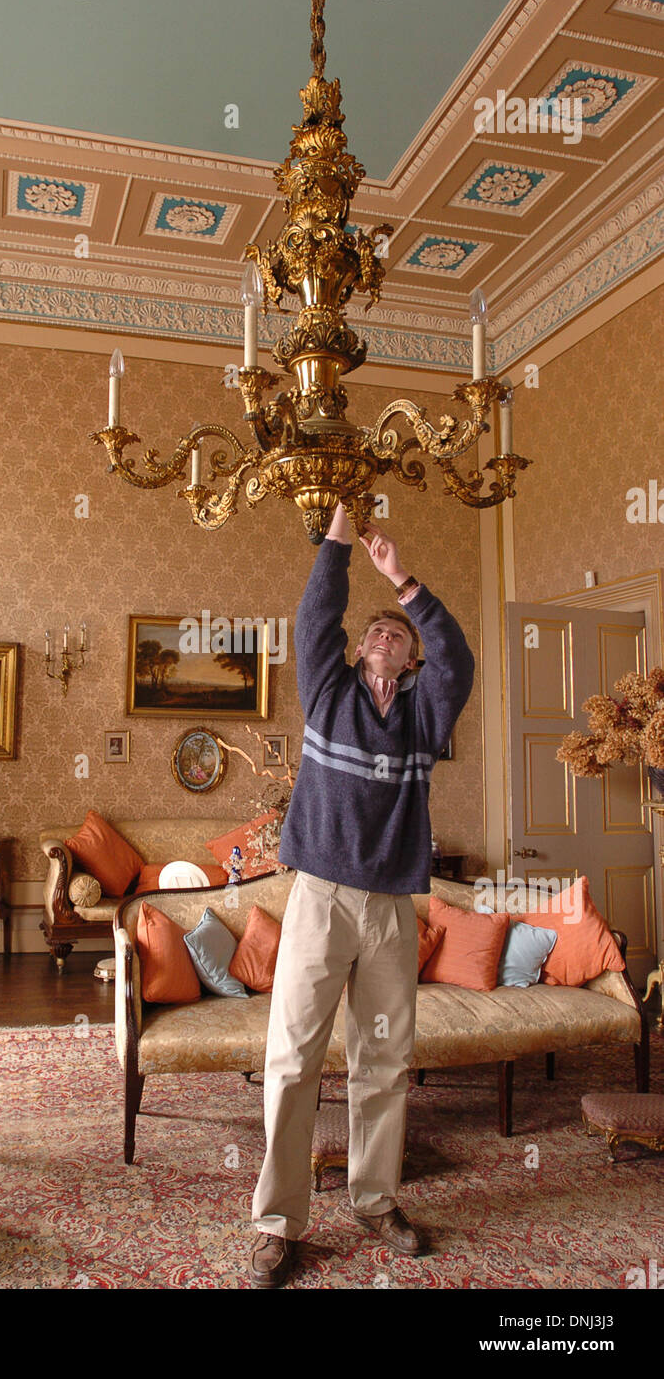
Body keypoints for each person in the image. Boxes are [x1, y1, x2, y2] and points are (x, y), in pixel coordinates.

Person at [248, 501, 475, 1288]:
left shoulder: (423, 714)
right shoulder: (327, 692)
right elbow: (315, 615)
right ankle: (278, 1222)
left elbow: (460, 661)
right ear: (356, 648)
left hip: (387, 909)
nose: (384, 636)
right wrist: (337, 543)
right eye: (374, 630)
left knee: (384, 1058)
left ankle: (376, 1198)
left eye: (398, 636)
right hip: (318, 895)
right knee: (292, 1057)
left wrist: (404, 584)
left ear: (410, 660)